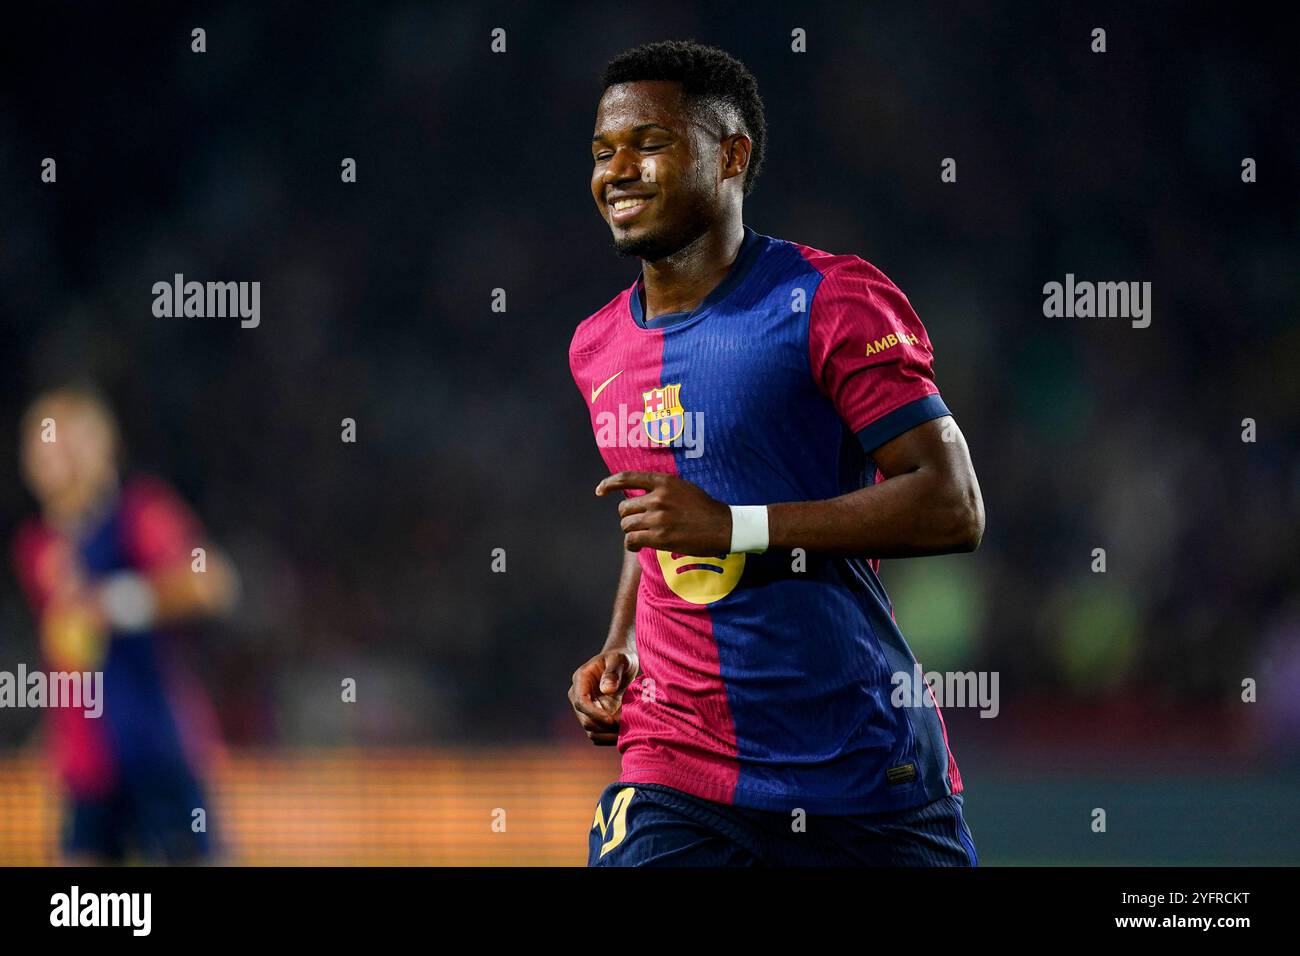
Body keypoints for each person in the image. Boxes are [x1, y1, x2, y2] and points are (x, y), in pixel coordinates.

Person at [567, 41, 985, 866]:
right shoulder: (597, 346)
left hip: (860, 769)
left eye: (649, 143)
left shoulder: (828, 300)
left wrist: (737, 526)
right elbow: (661, 518)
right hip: (679, 770)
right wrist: (623, 642)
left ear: (732, 154)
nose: (617, 169)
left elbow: (950, 502)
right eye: (602, 151)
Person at [11, 385, 237, 863]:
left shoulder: (140, 515)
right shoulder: (36, 548)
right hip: (87, 773)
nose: (54, 457)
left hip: (159, 757)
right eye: (43, 444)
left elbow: (211, 582)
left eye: (68, 442)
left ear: (103, 447)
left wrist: (116, 602)